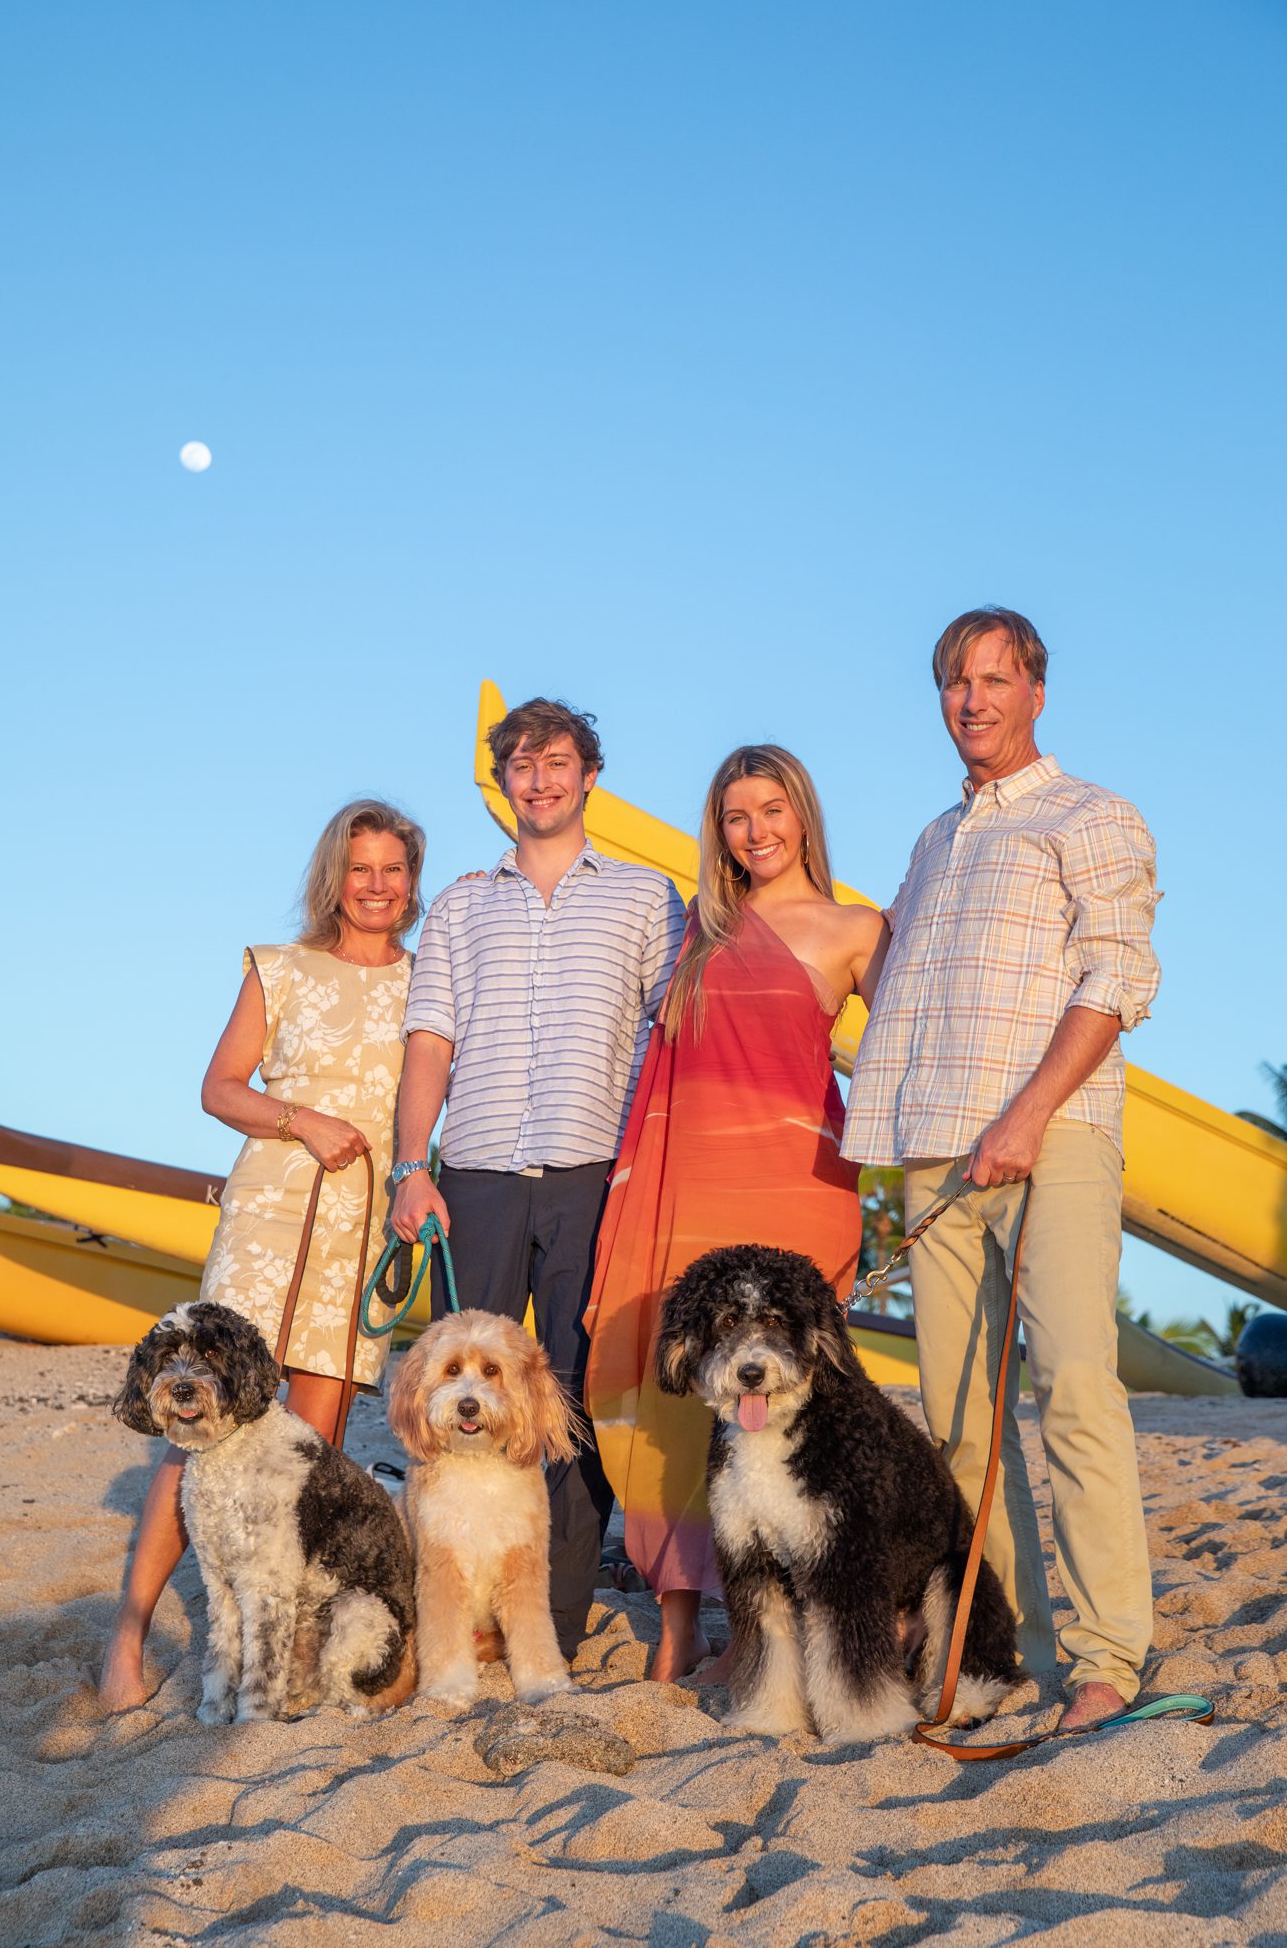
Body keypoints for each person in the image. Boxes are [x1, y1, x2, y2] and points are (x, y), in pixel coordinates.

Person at [843, 607, 1161, 1732]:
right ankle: (1020, 1647)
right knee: (960, 1421)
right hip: (935, 1146)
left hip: (1053, 1135)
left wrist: (1027, 1112)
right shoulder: (934, 839)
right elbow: (894, 988)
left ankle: (1110, 1653)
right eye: (952, 683)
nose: (971, 700)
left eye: (992, 678)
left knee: (1073, 1386)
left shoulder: (1092, 814)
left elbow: (1118, 979)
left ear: (1035, 691)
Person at [98, 798, 424, 1713]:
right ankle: (127, 1633)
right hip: (273, 1207)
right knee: (201, 1432)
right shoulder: (278, 968)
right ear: (334, 875)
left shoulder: (431, 978)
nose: (376, 887)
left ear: (412, 880)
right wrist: (302, 1120)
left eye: (393, 870)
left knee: (305, 1450)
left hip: (364, 1225)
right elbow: (219, 1088)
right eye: (360, 869)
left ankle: (290, 1654)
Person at [389, 698, 686, 1664]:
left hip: (590, 1171)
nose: (540, 778)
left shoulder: (648, 899)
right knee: (460, 1405)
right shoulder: (462, 905)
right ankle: (462, 1618)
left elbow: (663, 1044)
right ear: (501, 781)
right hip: (471, 1173)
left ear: (588, 773)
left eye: (557, 760)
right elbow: (429, 1041)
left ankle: (547, 1624)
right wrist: (409, 1166)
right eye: (520, 764)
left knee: (562, 1400)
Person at [584, 746, 888, 1681]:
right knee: (679, 1402)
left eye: (771, 811)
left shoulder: (855, 927)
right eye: (734, 817)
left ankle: (786, 1629)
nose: (755, 832)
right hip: (689, 1180)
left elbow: (910, 1044)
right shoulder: (694, 929)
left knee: (796, 1406)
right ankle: (681, 1628)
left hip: (799, 1183)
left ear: (802, 814)